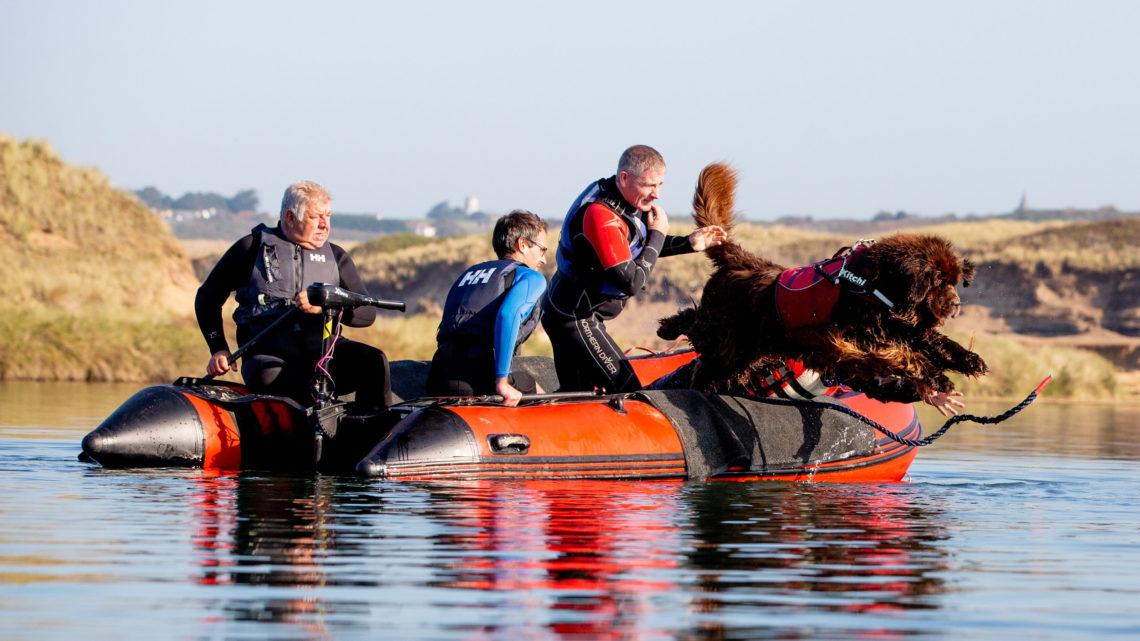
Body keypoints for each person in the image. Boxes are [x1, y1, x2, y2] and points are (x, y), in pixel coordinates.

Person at [541, 145, 726, 392]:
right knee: (627, 388)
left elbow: (637, 247)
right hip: (574, 317)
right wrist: (658, 234)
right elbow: (631, 281)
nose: (656, 194)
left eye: (660, 185)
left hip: (577, 312)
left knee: (579, 391)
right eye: (650, 185)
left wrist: (689, 243)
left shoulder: (626, 200)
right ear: (624, 178)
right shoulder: (600, 215)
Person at [195, 180, 390, 409]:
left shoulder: (337, 256)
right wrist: (218, 347)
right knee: (272, 376)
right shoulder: (250, 248)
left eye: (328, 216)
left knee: (374, 361)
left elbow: (367, 313)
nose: (324, 225)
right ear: (290, 217)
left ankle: (373, 433)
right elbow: (207, 298)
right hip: (269, 357)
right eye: (315, 217)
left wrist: (327, 306)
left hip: (324, 355)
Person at [426, 210, 549, 406]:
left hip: (439, 376)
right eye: (542, 250)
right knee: (535, 389)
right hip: (479, 379)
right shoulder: (530, 277)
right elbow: (508, 315)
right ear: (522, 245)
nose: (543, 260)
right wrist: (501, 381)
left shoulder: (469, 274)